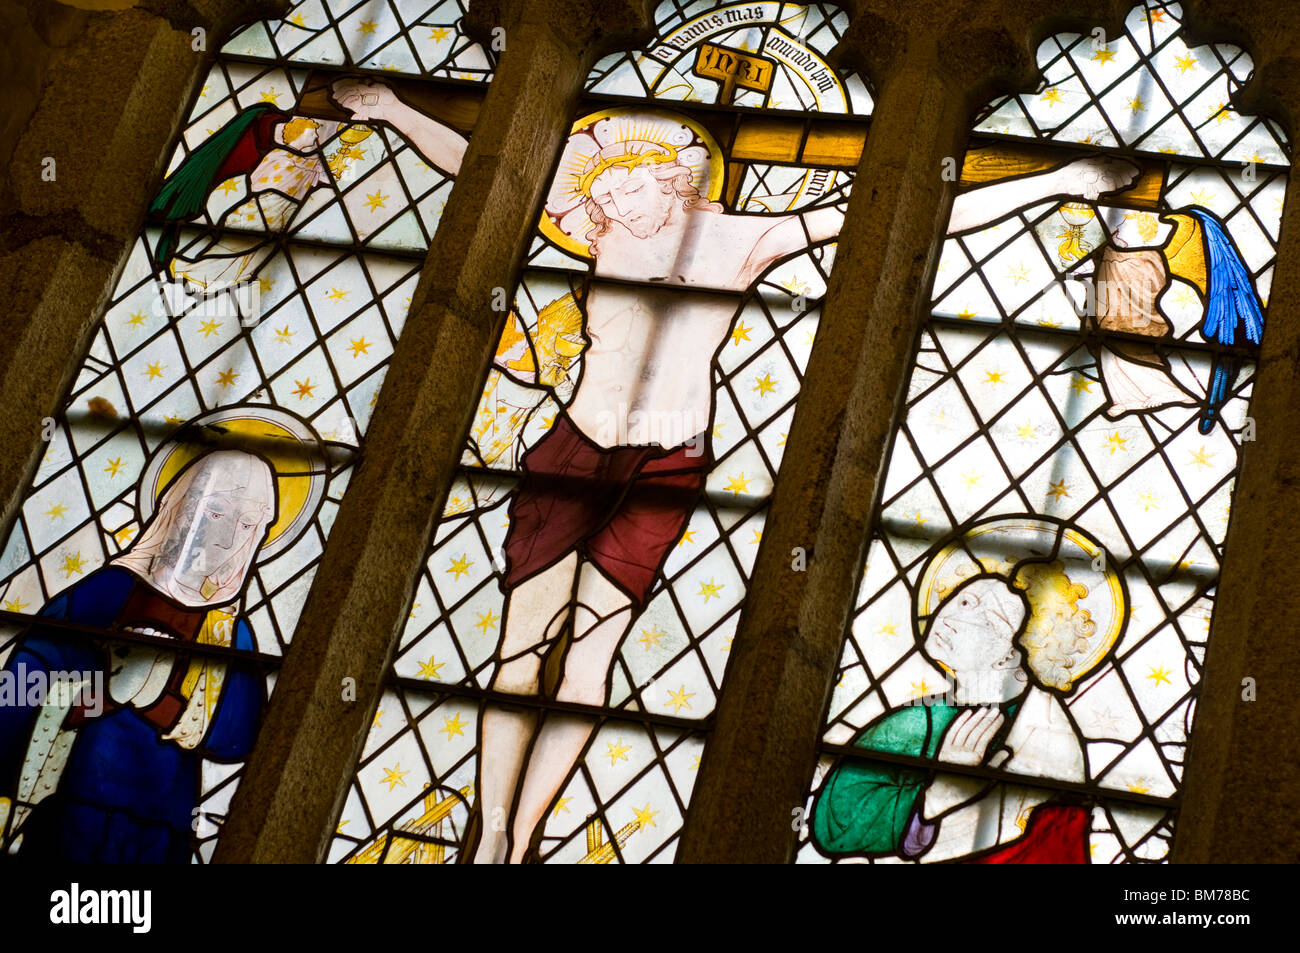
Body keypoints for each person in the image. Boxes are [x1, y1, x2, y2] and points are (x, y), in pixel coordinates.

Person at [333, 80, 1141, 862]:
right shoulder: (593, 227)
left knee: (589, 656)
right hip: (574, 448)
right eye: (598, 187)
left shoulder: (740, 240)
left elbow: (911, 207)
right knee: (520, 646)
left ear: (676, 180)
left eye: (621, 181)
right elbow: (482, 164)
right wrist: (395, 108)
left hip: (668, 463)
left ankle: (526, 829)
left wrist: (1060, 179)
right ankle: (497, 831)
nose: (605, 197)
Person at [0, 450, 274, 862]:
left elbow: (241, 738)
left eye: (247, 523)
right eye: (216, 512)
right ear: (177, 509)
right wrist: (99, 694)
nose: (228, 536)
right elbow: (19, 690)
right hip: (69, 801)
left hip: (161, 822)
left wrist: (161, 704)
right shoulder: (106, 593)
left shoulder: (229, 631)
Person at [811, 526, 1121, 863]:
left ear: (1015, 652)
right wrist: (934, 798)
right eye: (959, 600)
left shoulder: (1049, 742)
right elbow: (835, 821)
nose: (949, 617)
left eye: (981, 614)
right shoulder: (916, 720)